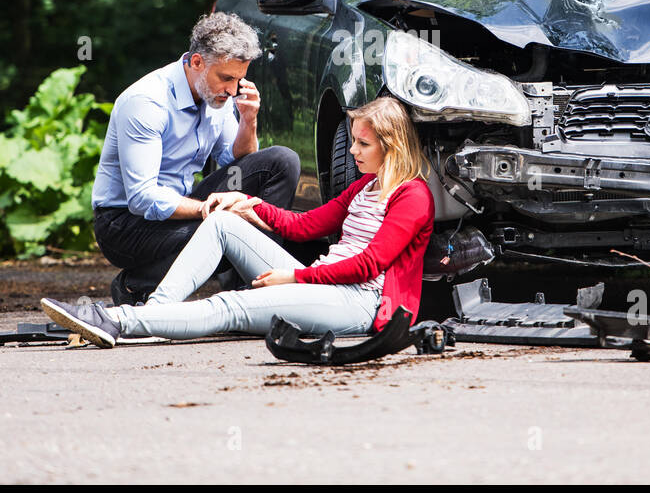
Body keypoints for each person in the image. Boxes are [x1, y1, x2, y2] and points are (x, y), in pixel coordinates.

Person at [42, 96, 434, 347]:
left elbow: (369, 265)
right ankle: (155, 315)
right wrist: (247, 203)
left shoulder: (412, 197)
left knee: (231, 305)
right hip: (322, 280)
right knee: (222, 222)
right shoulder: (366, 187)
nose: (352, 151)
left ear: (392, 146)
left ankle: (116, 321)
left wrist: (294, 278)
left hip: (359, 302)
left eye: (363, 144)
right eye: (354, 140)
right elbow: (305, 226)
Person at [90, 12, 299, 306]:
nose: (232, 89)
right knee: (226, 228)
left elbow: (239, 163)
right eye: (226, 78)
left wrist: (248, 120)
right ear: (197, 62)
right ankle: (136, 286)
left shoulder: (218, 95)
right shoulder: (146, 102)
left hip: (179, 206)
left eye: (239, 79)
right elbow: (142, 198)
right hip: (124, 224)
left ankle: (258, 288)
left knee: (280, 161)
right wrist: (208, 210)